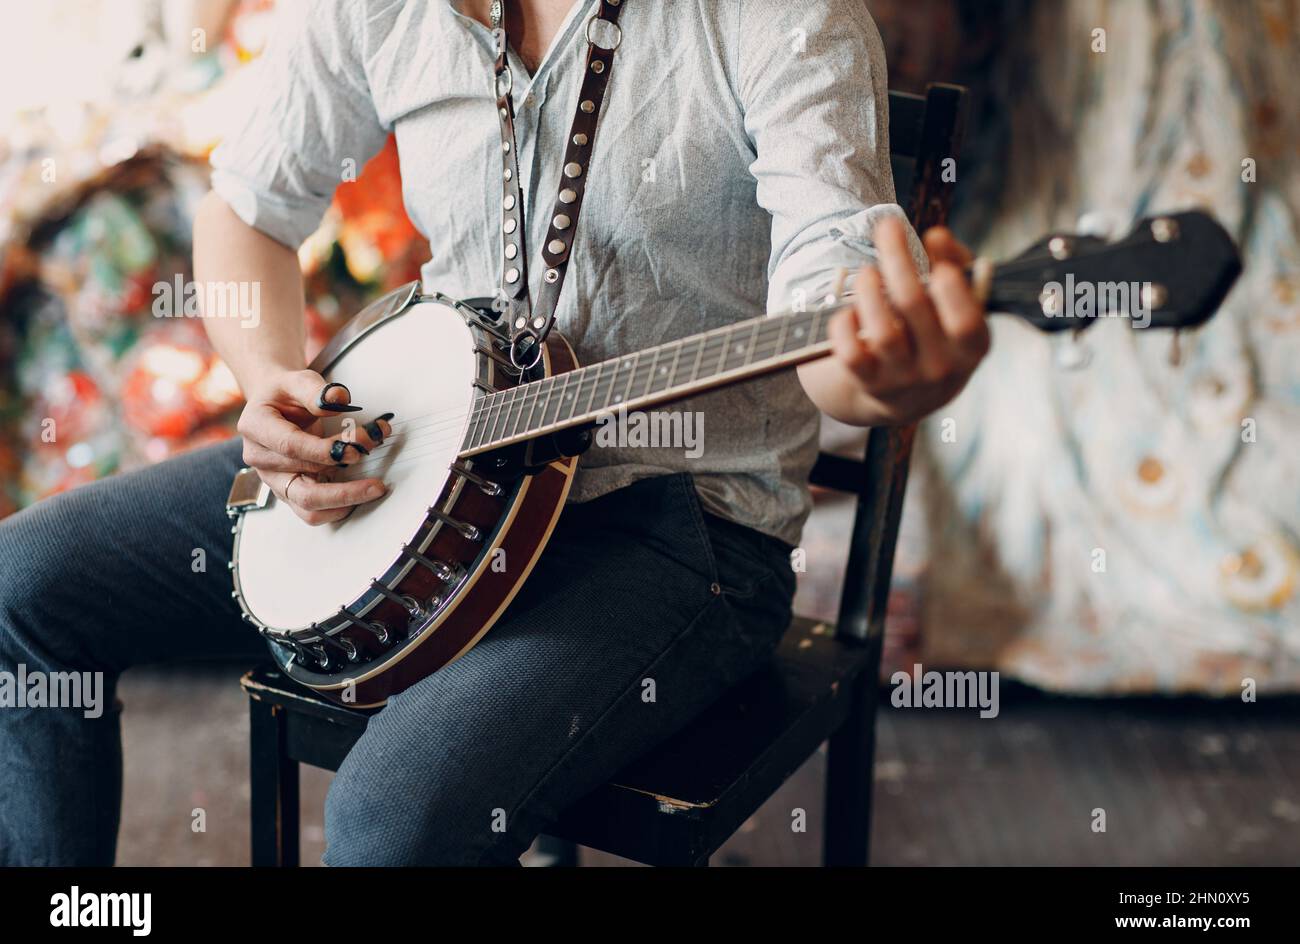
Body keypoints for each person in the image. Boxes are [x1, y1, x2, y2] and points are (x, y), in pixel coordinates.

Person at [0, 0, 988, 866]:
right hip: (420, 451)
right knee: (26, 584)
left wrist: (876, 366)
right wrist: (270, 383)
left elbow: (832, 280)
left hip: (680, 526)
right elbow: (243, 210)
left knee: (394, 816)